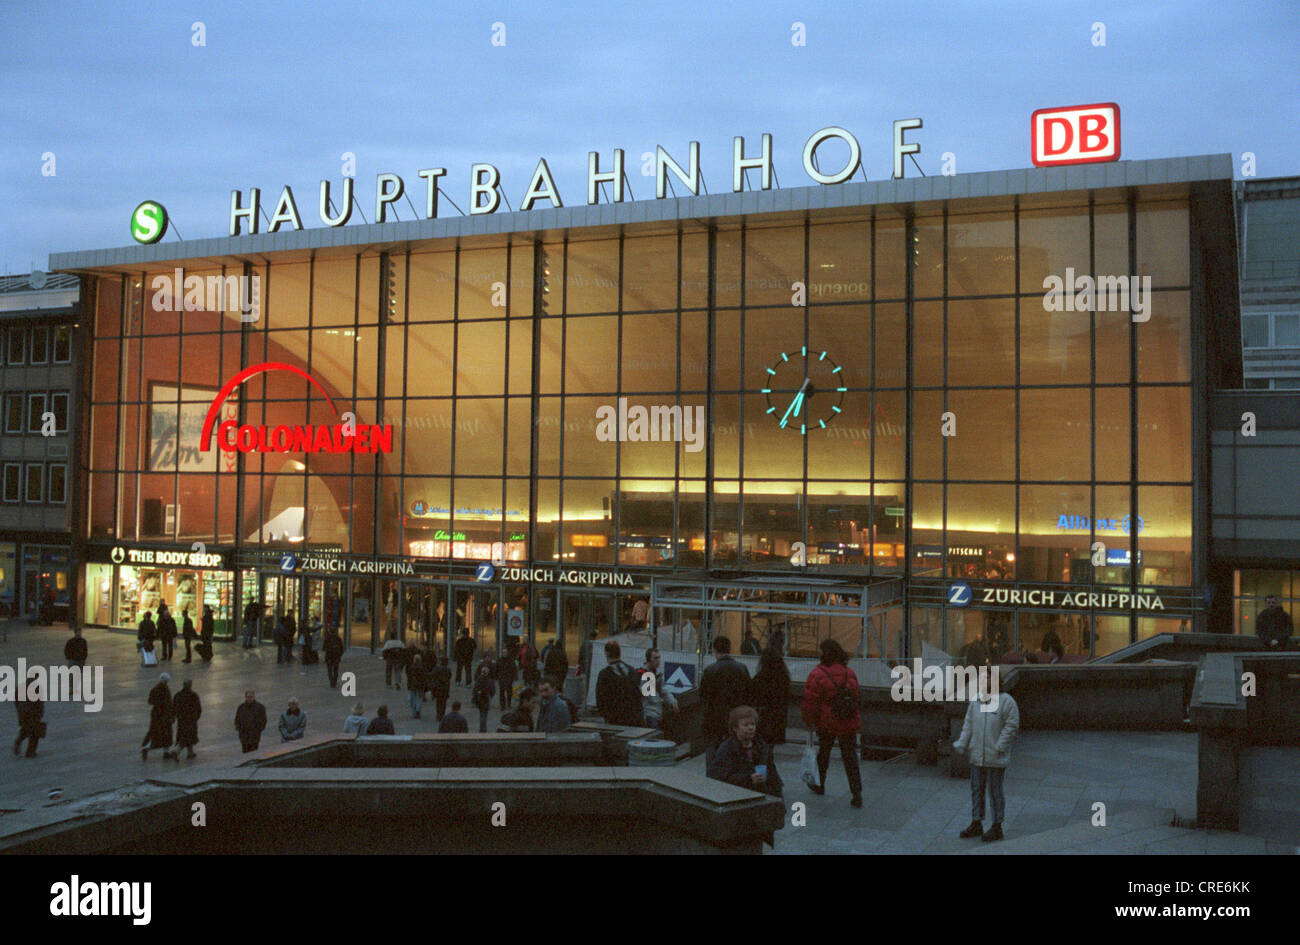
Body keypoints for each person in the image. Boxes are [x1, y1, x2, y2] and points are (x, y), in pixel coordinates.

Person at [953, 680, 1021, 843]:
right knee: (977, 789)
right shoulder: (976, 699)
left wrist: (1000, 746)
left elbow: (1011, 726)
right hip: (977, 754)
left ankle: (997, 825)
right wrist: (962, 743)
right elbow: (968, 724)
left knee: (995, 791)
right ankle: (976, 822)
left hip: (995, 755)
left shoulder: (1006, 701)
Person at [801, 638, 863, 808]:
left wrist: (809, 721)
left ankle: (819, 784)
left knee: (824, 753)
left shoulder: (817, 674)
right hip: (848, 720)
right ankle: (856, 793)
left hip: (827, 720)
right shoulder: (849, 673)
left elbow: (810, 701)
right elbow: (855, 696)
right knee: (850, 758)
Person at [707, 705, 784, 799]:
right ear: (735, 728)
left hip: (762, 795)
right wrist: (748, 779)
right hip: (736, 796)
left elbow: (772, 773)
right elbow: (718, 776)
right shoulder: (726, 749)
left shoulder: (762, 746)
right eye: (746, 725)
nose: (751, 728)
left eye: (753, 724)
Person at [700, 636, 751, 763]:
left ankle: (713, 775)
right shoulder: (742, 668)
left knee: (713, 751)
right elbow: (749, 693)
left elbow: (703, 695)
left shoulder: (710, 670)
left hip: (715, 718)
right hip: (737, 717)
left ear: (715, 650)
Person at [595, 640, 645, 726]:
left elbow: (600, 699)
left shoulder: (605, 674)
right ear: (619, 653)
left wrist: (606, 716)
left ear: (606, 653)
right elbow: (638, 694)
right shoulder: (631, 670)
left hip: (614, 719)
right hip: (633, 718)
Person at [749, 646, 791, 745]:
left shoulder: (760, 677)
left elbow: (752, 696)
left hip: (763, 717)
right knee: (771, 746)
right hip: (778, 717)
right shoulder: (783, 677)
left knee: (762, 746)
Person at [640, 648, 678, 731]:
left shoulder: (657, 674)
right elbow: (651, 697)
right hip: (649, 714)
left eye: (659, 657)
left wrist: (672, 701)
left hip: (657, 713)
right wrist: (664, 701)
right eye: (655, 658)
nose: (658, 661)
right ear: (649, 660)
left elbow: (664, 690)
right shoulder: (643, 674)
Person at [141, 673, 176, 761]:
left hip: (156, 714)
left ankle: (165, 752)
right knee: (164, 734)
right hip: (163, 716)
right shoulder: (164, 689)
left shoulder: (155, 689)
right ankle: (147, 748)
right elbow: (168, 704)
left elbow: (150, 701)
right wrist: (171, 715)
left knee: (157, 733)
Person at [13, 673, 43, 757]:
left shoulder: (20, 687)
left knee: (25, 729)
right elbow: (38, 703)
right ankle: (30, 751)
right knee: (34, 733)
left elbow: (16, 701)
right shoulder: (36, 687)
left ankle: (18, 741)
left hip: (22, 713)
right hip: (33, 713)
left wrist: (19, 711)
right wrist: (40, 713)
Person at [173, 679, 201, 759]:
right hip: (191, 719)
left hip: (181, 720)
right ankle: (177, 751)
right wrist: (196, 717)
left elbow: (174, 707)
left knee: (184, 735)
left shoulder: (178, 695)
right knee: (188, 736)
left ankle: (190, 752)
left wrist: (176, 716)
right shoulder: (193, 695)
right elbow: (198, 707)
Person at [471, 663, 496, 733]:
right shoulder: (490, 681)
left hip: (480, 698)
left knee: (482, 714)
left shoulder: (479, 680)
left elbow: (475, 690)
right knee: (484, 714)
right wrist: (490, 696)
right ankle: (483, 729)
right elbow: (493, 690)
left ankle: (482, 728)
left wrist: (474, 698)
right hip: (486, 698)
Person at [430, 655, 452, 721]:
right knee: (443, 702)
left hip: (438, 687)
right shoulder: (448, 669)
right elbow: (449, 676)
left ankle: (438, 714)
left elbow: (432, 675)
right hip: (445, 688)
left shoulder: (437, 668)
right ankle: (442, 714)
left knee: (438, 702)